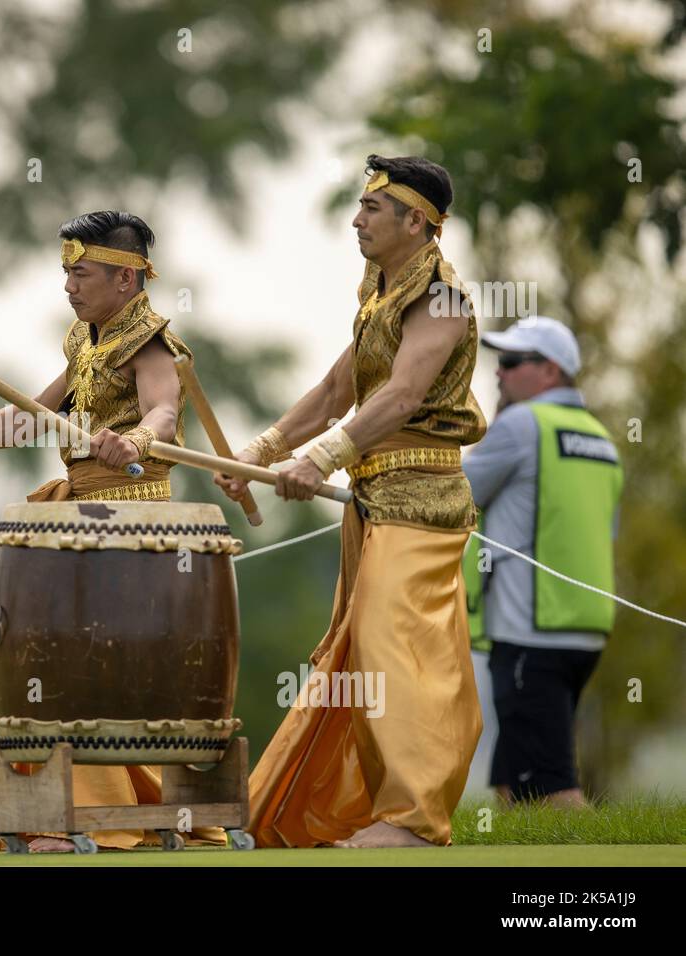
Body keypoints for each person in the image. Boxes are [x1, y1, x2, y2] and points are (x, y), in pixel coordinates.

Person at [0, 210, 223, 851]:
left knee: (103, 666)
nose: (69, 284)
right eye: (66, 271)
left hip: (134, 524)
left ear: (126, 278)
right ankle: (87, 813)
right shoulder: (83, 339)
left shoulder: (149, 342)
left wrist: (137, 439)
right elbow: (29, 419)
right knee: (65, 662)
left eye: (82, 272)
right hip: (79, 523)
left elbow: (166, 410)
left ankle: (106, 817)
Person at [217, 154, 487, 847]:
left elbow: (401, 396)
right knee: (357, 659)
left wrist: (321, 457)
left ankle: (416, 819)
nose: (358, 219)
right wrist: (261, 451)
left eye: (373, 208)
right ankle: (352, 813)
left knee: (394, 650)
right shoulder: (378, 295)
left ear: (417, 221)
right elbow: (340, 391)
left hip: (423, 499)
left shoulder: (444, 299)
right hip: (372, 499)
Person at [462, 318, 623, 808]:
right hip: (585, 632)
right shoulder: (602, 441)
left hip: (529, 634)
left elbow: (453, 495)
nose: (498, 374)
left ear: (549, 371)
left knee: (554, 787)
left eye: (510, 363)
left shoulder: (522, 424)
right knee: (515, 781)